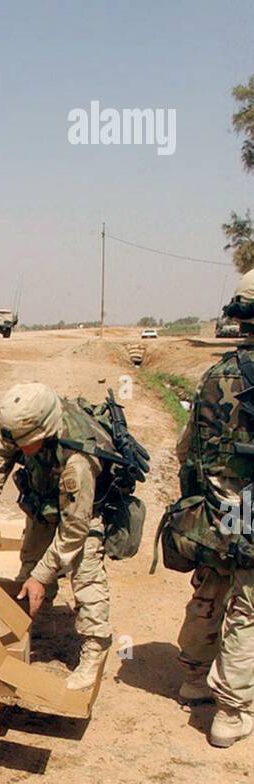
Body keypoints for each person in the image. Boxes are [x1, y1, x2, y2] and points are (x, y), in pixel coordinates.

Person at [0, 382, 114, 690]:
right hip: (45, 499)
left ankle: (94, 647)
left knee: (85, 570)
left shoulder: (79, 461)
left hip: (84, 513)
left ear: (46, 432)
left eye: (27, 444)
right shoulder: (24, 424)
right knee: (30, 566)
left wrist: (43, 576)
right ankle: (33, 620)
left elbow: (74, 530)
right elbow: (1, 451)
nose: (21, 450)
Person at [172, 269, 254, 747]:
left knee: (211, 587)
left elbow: (188, 449)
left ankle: (192, 678)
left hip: (217, 508)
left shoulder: (214, 375)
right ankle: (231, 712)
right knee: (246, 607)